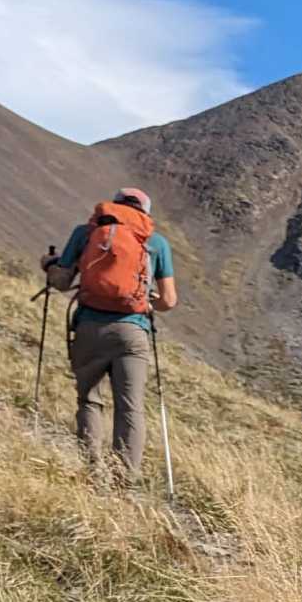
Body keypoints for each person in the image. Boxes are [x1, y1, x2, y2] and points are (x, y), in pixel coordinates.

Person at [41, 188, 177, 482]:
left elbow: (63, 282)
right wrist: (144, 298)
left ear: (113, 206)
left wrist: (48, 265)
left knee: (89, 400)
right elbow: (169, 301)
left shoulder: (86, 233)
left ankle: (93, 473)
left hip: (89, 326)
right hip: (132, 332)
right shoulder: (156, 242)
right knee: (130, 406)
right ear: (145, 212)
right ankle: (124, 481)